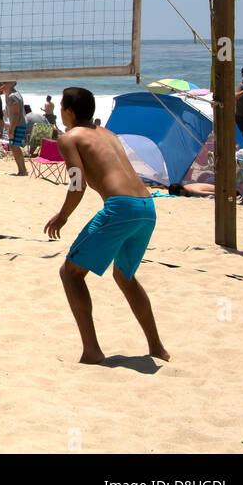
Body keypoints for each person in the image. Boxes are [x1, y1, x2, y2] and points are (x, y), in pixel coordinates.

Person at [45, 87, 169, 365]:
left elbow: (77, 186)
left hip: (121, 208)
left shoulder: (69, 138)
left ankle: (92, 350)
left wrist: (62, 216)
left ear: (69, 111)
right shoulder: (109, 135)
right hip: (147, 207)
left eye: (62, 107)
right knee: (125, 277)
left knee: (71, 273)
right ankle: (157, 348)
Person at [3, 81, 28, 175]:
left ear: (11, 84)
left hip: (18, 123)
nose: (3, 84)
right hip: (19, 122)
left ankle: (22, 171)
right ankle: (23, 169)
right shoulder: (14, 94)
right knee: (14, 146)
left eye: (5, 82)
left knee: (14, 146)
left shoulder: (12, 96)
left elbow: (16, 114)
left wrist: (11, 129)